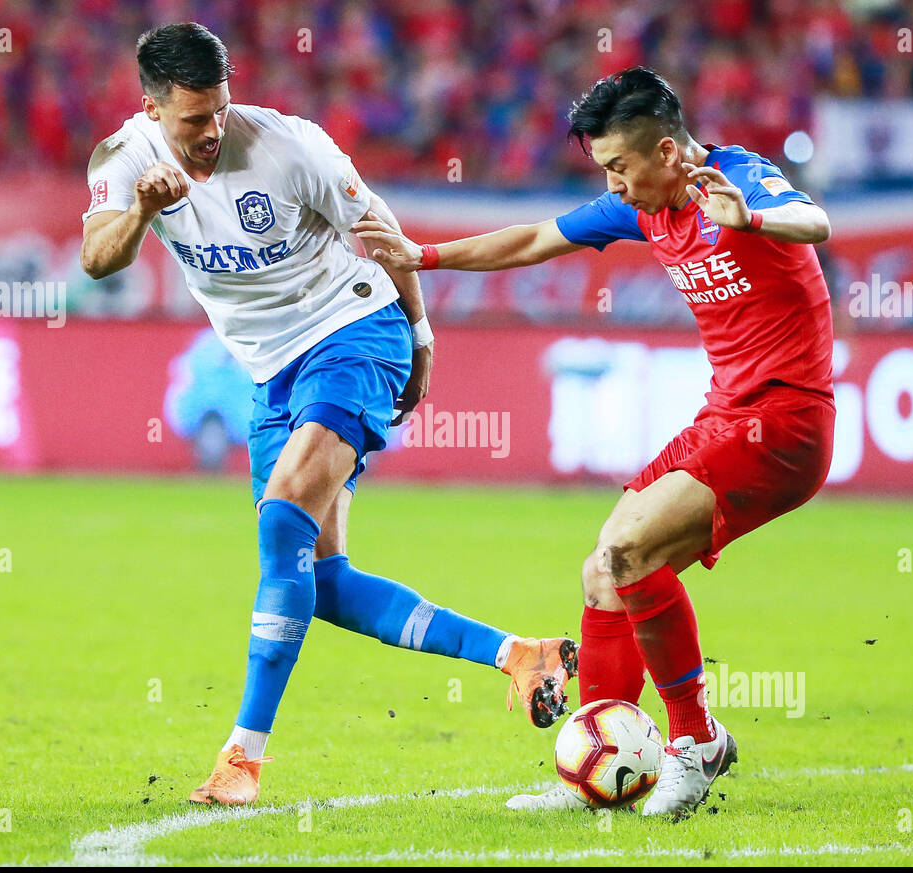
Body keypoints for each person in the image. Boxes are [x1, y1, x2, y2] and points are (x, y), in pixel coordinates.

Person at [79, 23, 576, 806]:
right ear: (149, 108)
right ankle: (522, 653)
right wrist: (141, 211)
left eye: (219, 111)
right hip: (273, 373)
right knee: (319, 579)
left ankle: (240, 761)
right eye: (191, 120)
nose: (210, 132)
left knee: (281, 525)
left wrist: (420, 336)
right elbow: (97, 259)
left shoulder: (287, 146)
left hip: (355, 331)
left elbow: (383, 233)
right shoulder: (124, 162)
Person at [353, 66, 835, 817]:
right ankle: (601, 765)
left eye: (619, 166)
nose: (612, 186)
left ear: (669, 152)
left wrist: (752, 221)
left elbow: (815, 222)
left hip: (786, 419)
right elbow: (536, 239)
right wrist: (424, 256)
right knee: (602, 574)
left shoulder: (737, 179)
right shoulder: (642, 210)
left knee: (627, 551)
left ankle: (695, 741)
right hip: (726, 414)